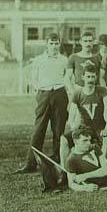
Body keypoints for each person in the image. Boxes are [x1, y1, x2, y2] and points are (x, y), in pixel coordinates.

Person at [14, 33, 69, 174]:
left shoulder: (64, 59)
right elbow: (33, 78)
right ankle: (31, 163)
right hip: (44, 94)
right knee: (39, 129)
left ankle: (58, 160)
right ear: (47, 44)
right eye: (51, 43)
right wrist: (41, 89)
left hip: (60, 93)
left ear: (59, 44)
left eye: (57, 43)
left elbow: (68, 77)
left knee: (59, 130)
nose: (54, 46)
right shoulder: (39, 60)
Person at [59, 63, 107, 166]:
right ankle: (64, 170)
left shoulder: (102, 91)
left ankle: (103, 167)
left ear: (96, 77)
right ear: (83, 77)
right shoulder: (77, 93)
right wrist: (74, 129)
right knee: (64, 139)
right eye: (88, 76)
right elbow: (72, 114)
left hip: (99, 128)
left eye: (93, 76)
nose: (90, 79)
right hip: (84, 128)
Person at [63, 126, 107, 192]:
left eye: (89, 140)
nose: (88, 143)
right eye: (85, 141)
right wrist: (85, 188)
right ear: (75, 141)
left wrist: (85, 176)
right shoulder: (71, 160)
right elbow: (71, 184)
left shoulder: (94, 147)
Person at [65, 30, 101, 97]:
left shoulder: (97, 58)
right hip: (79, 90)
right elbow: (67, 77)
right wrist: (73, 92)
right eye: (85, 41)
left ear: (93, 42)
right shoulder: (73, 57)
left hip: (94, 91)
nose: (88, 43)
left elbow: (100, 77)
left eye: (90, 41)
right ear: (81, 42)